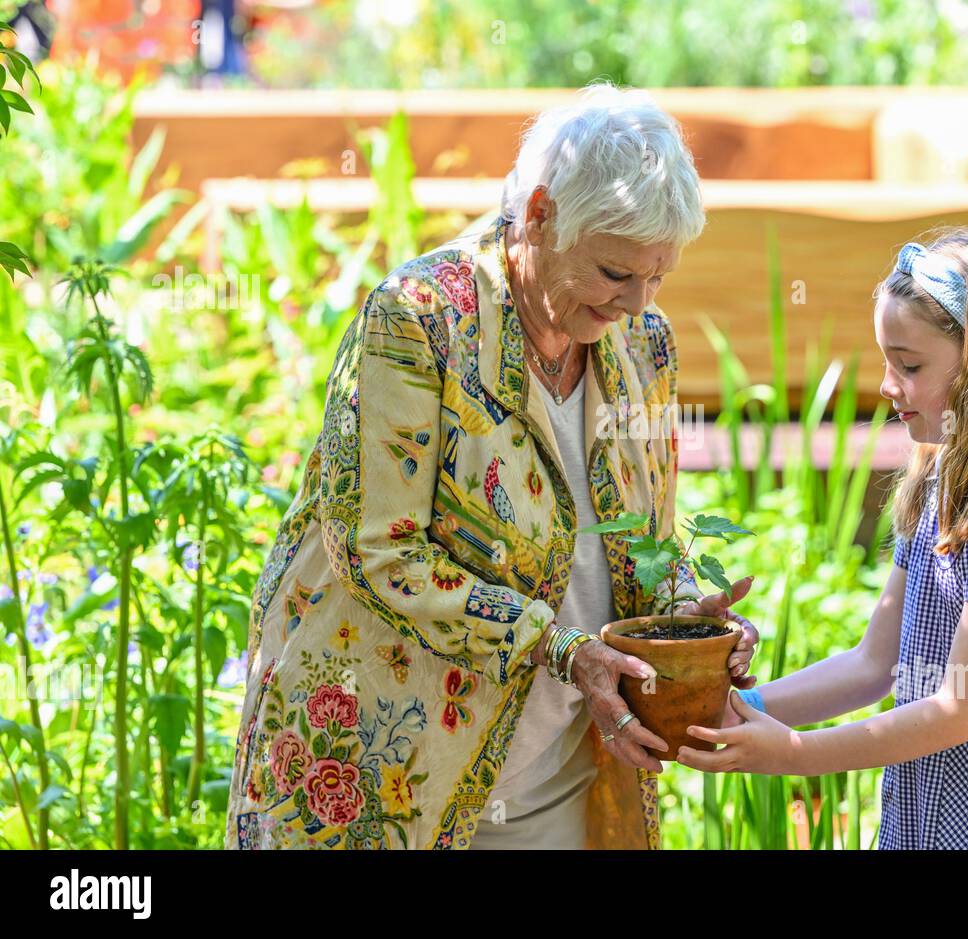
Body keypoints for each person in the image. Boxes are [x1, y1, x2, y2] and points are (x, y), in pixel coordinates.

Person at [225, 81, 759, 850]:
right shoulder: (416, 323)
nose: (639, 304)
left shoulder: (646, 345)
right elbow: (378, 550)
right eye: (615, 273)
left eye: (659, 275)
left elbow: (645, 537)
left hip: (565, 776)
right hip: (395, 774)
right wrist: (557, 646)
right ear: (539, 215)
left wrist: (683, 620)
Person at [678, 228, 968, 850]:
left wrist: (791, 753)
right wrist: (742, 708)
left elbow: (959, 707)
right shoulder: (940, 479)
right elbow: (875, 663)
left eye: (911, 365)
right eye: (887, 361)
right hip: (946, 820)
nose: (889, 386)